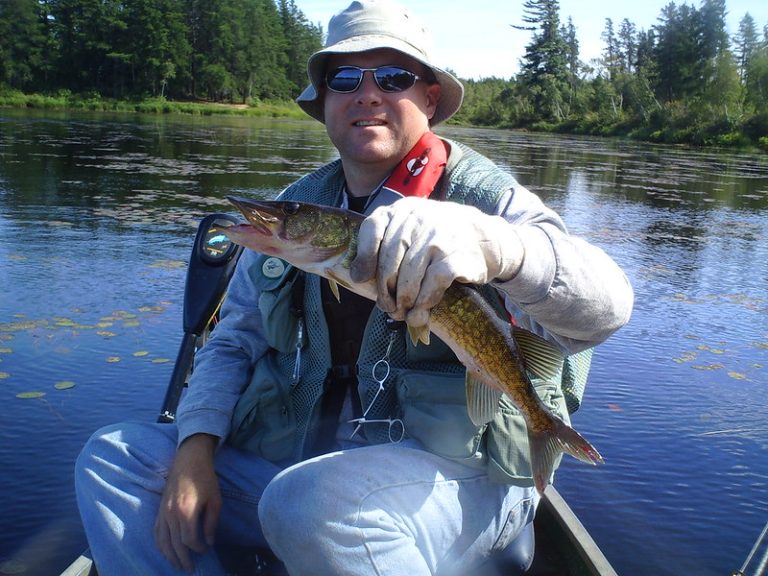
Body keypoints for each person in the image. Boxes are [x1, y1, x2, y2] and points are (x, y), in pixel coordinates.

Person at [74, 0, 634, 574]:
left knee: (317, 503)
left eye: (393, 76)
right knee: (116, 460)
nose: (367, 94)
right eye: (345, 79)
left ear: (430, 99)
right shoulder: (304, 205)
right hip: (300, 466)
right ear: (325, 104)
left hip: (459, 479)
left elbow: (608, 310)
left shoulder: (492, 202)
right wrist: (195, 448)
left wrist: (502, 248)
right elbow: (233, 341)